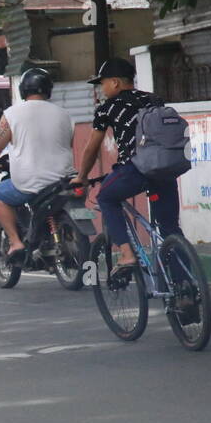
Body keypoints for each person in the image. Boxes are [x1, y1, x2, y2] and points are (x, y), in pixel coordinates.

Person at [72, 57, 181, 275]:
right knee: (170, 230)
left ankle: (126, 254)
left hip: (135, 169)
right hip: (164, 169)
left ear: (115, 83)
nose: (101, 89)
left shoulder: (107, 108)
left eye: (102, 83)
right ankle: (185, 290)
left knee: (106, 198)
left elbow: (92, 148)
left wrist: (82, 176)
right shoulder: (154, 100)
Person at [0, 67, 75, 261]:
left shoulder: (12, 114)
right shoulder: (65, 115)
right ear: (48, 89)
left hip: (31, 181)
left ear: (23, 90)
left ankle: (15, 242)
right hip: (64, 179)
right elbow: (67, 144)